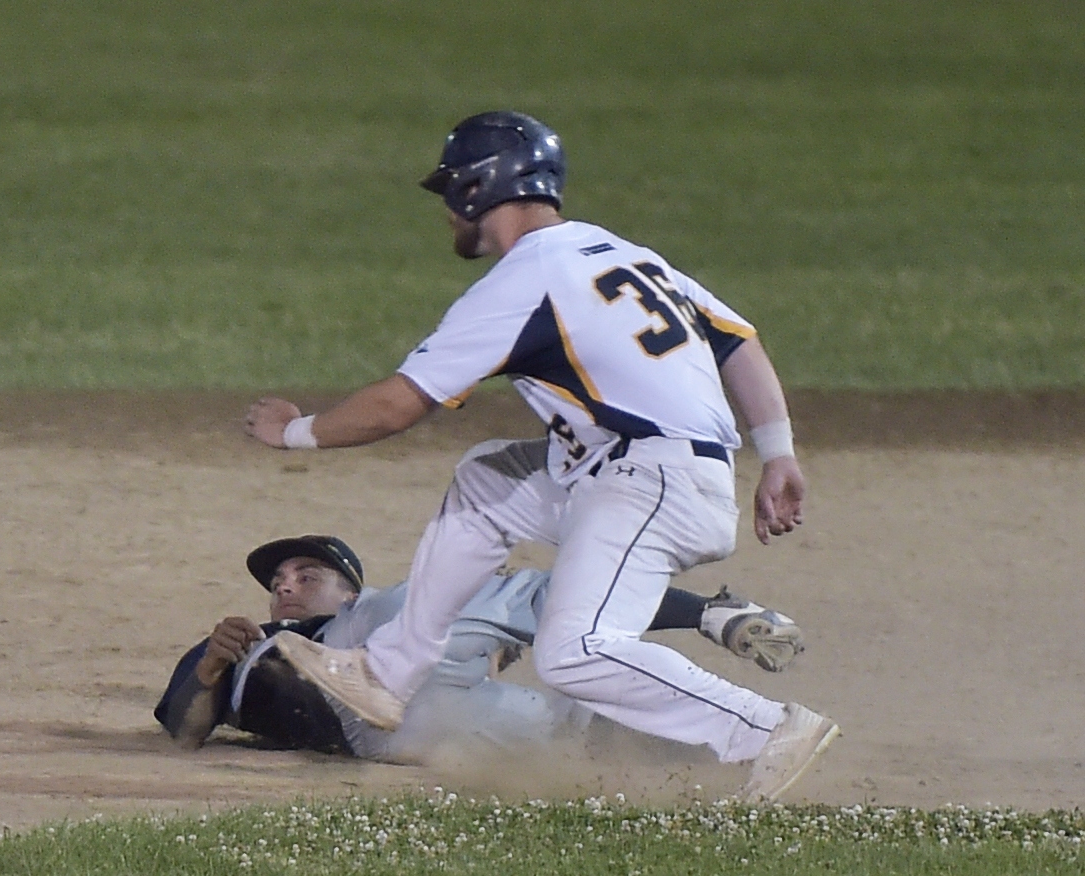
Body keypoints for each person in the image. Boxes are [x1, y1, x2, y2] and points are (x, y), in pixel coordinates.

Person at [244, 110, 838, 802]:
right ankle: (388, 673)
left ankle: (763, 731)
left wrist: (293, 431)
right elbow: (737, 341)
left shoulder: (521, 281)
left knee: (575, 652)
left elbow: (399, 406)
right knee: (488, 477)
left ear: (476, 191)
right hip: (634, 472)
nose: (445, 213)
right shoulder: (624, 254)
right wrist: (778, 451)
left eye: (449, 194)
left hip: (649, 484)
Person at [155, 534, 804, 763]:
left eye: (306, 576)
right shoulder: (246, 646)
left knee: (580, 730)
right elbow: (184, 734)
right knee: (489, 599)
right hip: (372, 730)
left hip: (410, 683)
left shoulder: (372, 607)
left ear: (348, 589)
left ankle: (747, 745)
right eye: (277, 583)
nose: (285, 587)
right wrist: (213, 664)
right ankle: (711, 615)